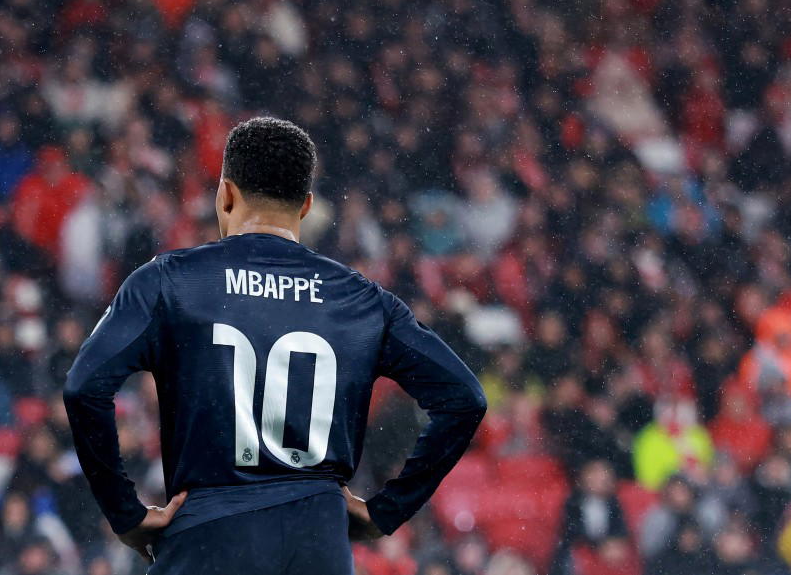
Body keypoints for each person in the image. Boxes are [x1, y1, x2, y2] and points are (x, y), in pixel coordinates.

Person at [64, 117, 487, 574]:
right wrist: (387, 510)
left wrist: (125, 514)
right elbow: (464, 399)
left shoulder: (170, 282)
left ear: (226, 195)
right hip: (319, 542)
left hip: (209, 538)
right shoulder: (362, 300)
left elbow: (84, 388)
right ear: (305, 206)